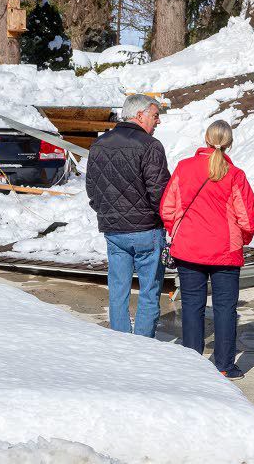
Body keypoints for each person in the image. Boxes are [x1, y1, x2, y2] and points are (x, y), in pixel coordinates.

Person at [160, 120, 254, 380]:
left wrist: (178, 231)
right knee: (226, 308)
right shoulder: (235, 174)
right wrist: (241, 239)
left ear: (205, 139)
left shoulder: (184, 168)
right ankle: (225, 365)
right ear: (229, 143)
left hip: (190, 248)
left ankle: (192, 363)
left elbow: (167, 209)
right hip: (225, 251)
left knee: (192, 305)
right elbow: (247, 218)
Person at [85, 94, 171, 337]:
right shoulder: (150, 146)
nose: (158, 122)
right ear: (139, 115)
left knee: (118, 289)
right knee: (149, 290)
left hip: (114, 230)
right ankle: (142, 346)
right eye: (155, 116)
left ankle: (121, 343)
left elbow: (92, 188)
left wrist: (106, 212)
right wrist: (164, 219)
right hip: (146, 229)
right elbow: (160, 192)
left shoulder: (99, 144)